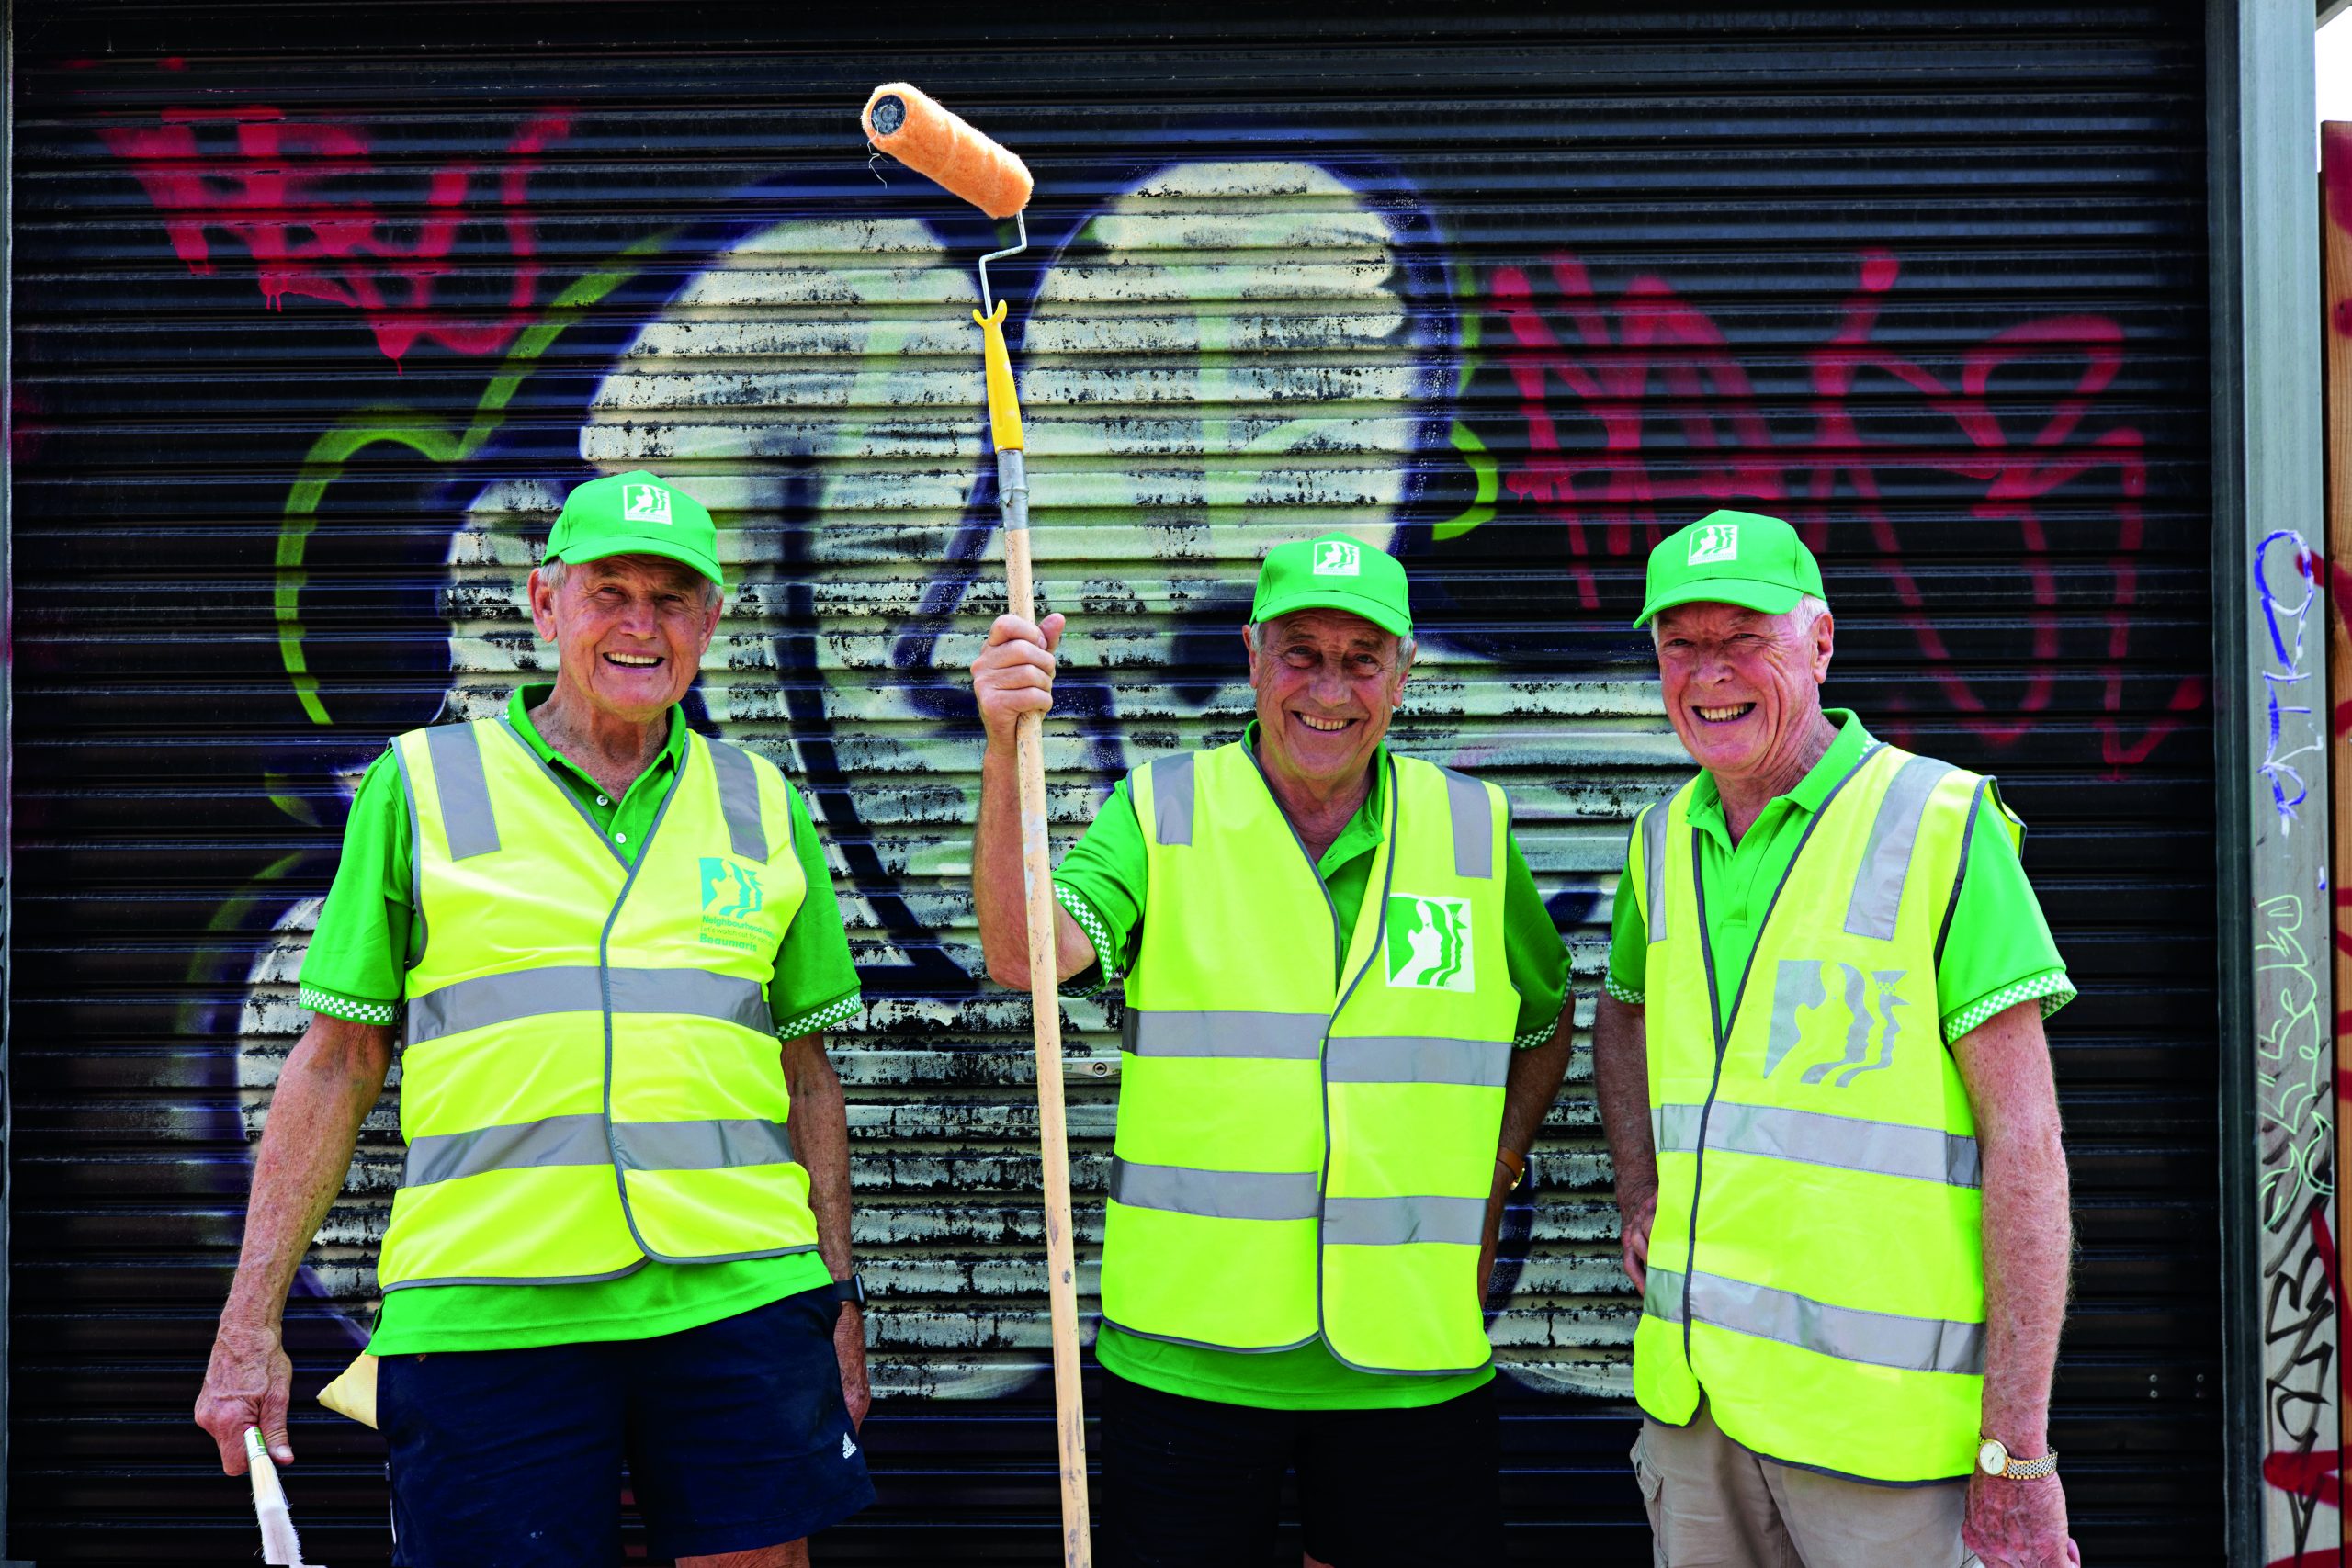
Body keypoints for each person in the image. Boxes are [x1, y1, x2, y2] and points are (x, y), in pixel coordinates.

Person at [193, 471, 876, 1566]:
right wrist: (248, 1325)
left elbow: (806, 1074)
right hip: (488, 1307)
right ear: (544, 602)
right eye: (610, 592)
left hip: (740, 1302)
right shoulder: (422, 785)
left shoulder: (759, 800)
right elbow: (335, 1062)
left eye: (672, 599)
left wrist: (838, 1299)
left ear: (709, 621)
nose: (641, 628)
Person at [968, 533, 1574, 1568]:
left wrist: (1498, 1174)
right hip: (1190, 1357)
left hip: (1410, 1356)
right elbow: (1028, 956)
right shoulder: (1163, 811)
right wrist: (1001, 741)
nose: (1328, 688)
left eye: (1360, 658)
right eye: (1300, 652)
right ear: (1251, 656)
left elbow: (1542, 1018)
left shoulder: (1472, 829)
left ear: (1403, 672)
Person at [1594, 509, 2079, 1568]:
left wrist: (2017, 1452)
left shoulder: (1941, 824)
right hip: (1698, 1413)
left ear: (1818, 643)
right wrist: (1639, 1187)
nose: (1709, 673)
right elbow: (1621, 1013)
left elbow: (2026, 1147)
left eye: (1743, 639)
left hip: (1885, 1447)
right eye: (1682, 643)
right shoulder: (1658, 840)